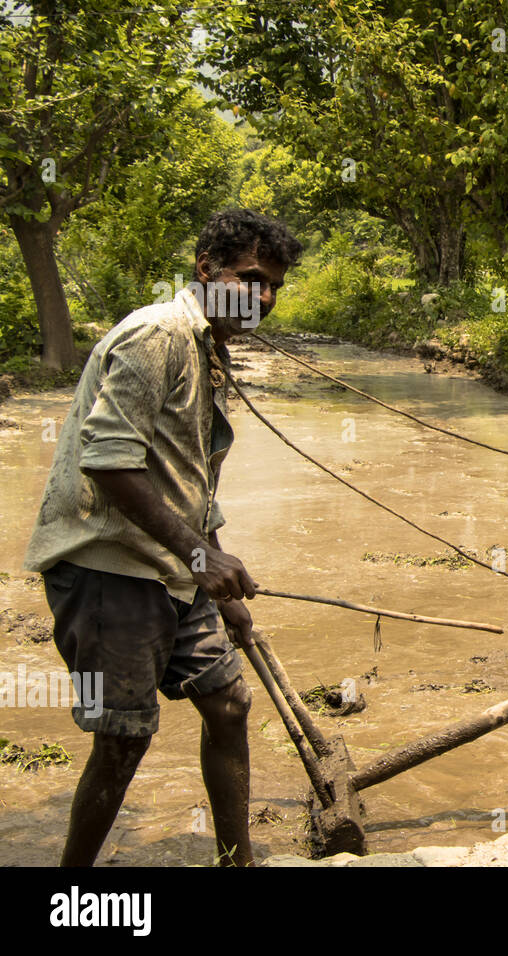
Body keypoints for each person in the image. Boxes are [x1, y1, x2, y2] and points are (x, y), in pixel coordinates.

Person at [23, 208, 302, 866]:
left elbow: (187, 473)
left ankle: (239, 862)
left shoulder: (206, 346)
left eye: (274, 288)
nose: (263, 298)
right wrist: (201, 556)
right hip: (108, 568)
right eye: (253, 278)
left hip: (172, 568)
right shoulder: (157, 333)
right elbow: (109, 459)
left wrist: (219, 579)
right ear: (207, 269)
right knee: (124, 739)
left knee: (230, 705)